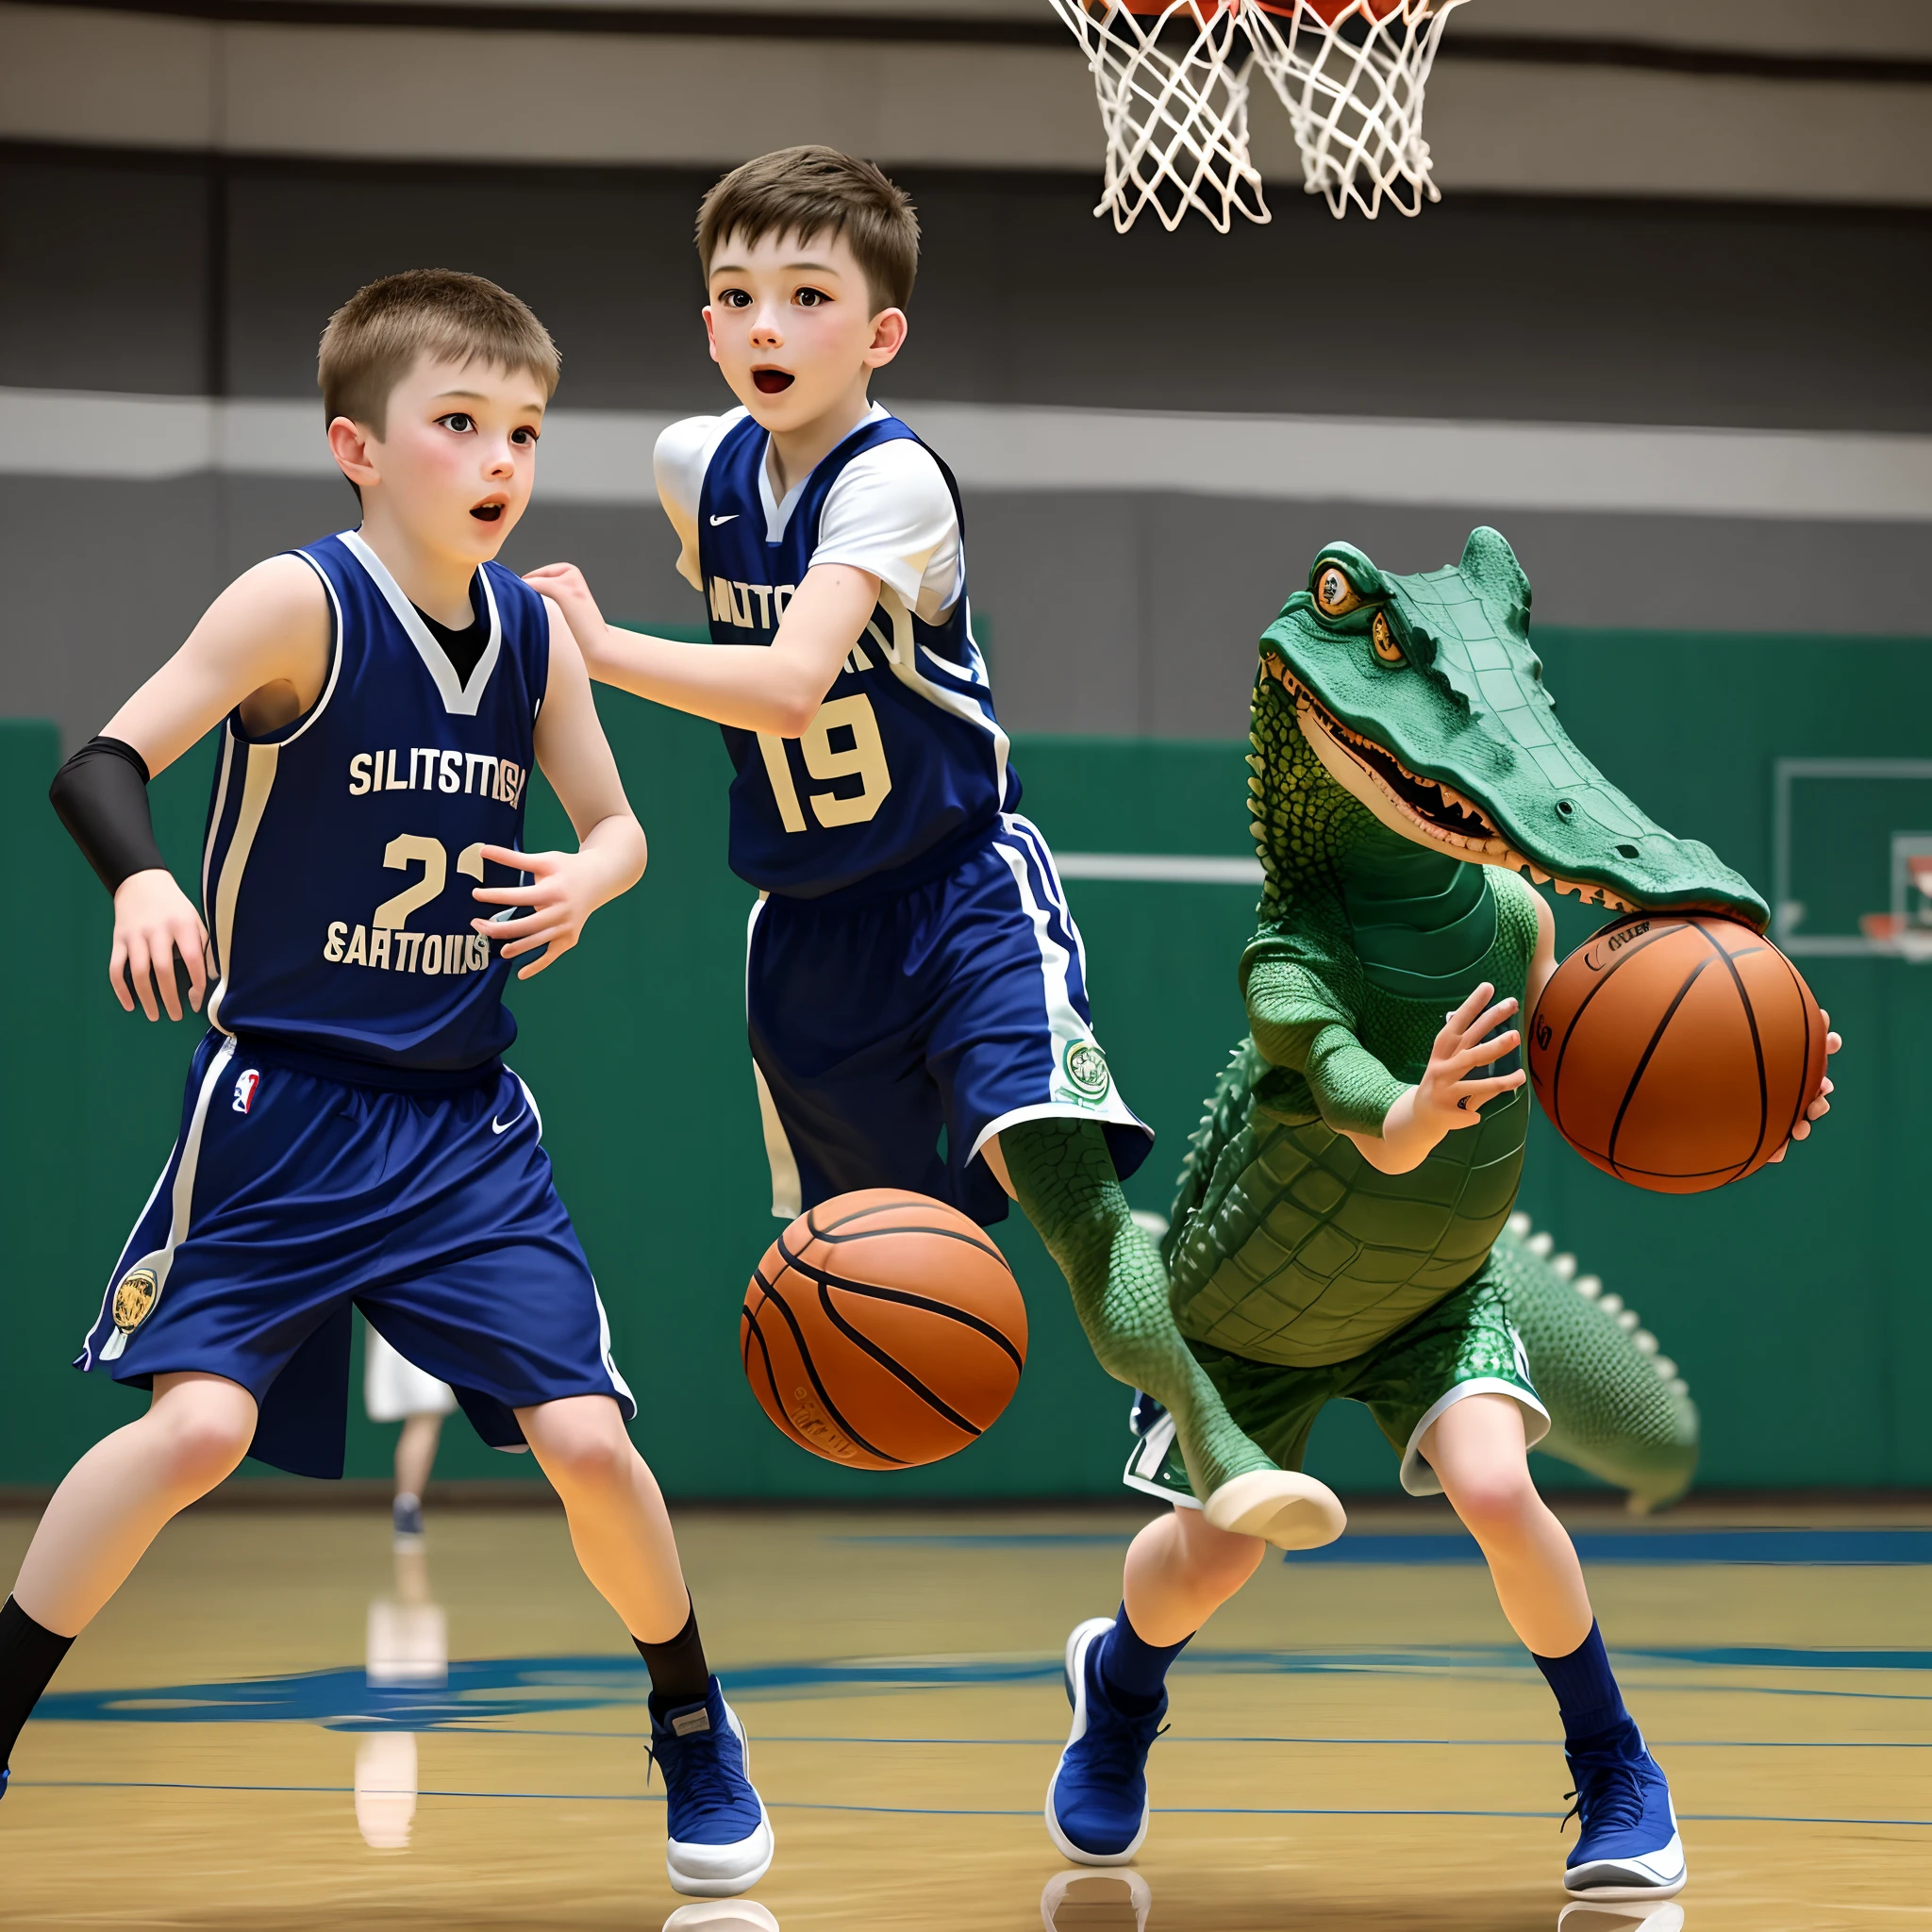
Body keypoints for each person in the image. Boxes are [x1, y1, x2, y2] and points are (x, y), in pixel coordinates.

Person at [2, 271, 772, 1901]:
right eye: (460, 424)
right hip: (285, 1101)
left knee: (585, 1436)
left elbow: (617, 821)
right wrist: (143, 884)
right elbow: (100, 761)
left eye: (523, 431)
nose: (500, 457)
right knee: (194, 1428)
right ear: (358, 444)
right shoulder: (296, 603)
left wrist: (592, 878)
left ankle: (691, 1713)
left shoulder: (534, 640)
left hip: (463, 1127)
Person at [526, 146, 1324, 1550]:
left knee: (1056, 1183)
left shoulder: (896, 487)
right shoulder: (688, 466)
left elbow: (785, 679)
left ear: (881, 334)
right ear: (706, 322)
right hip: (805, 931)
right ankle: (1146, 1335)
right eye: (734, 296)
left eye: (808, 296)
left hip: (959, 889)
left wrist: (596, 646)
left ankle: (1211, 1430)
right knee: (870, 1266)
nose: (766, 326)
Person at [363, 1323, 457, 1548]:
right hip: (419, 1333)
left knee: (423, 1420)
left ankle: (407, 1505)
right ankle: (407, 1506)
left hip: (395, 1330)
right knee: (425, 1420)